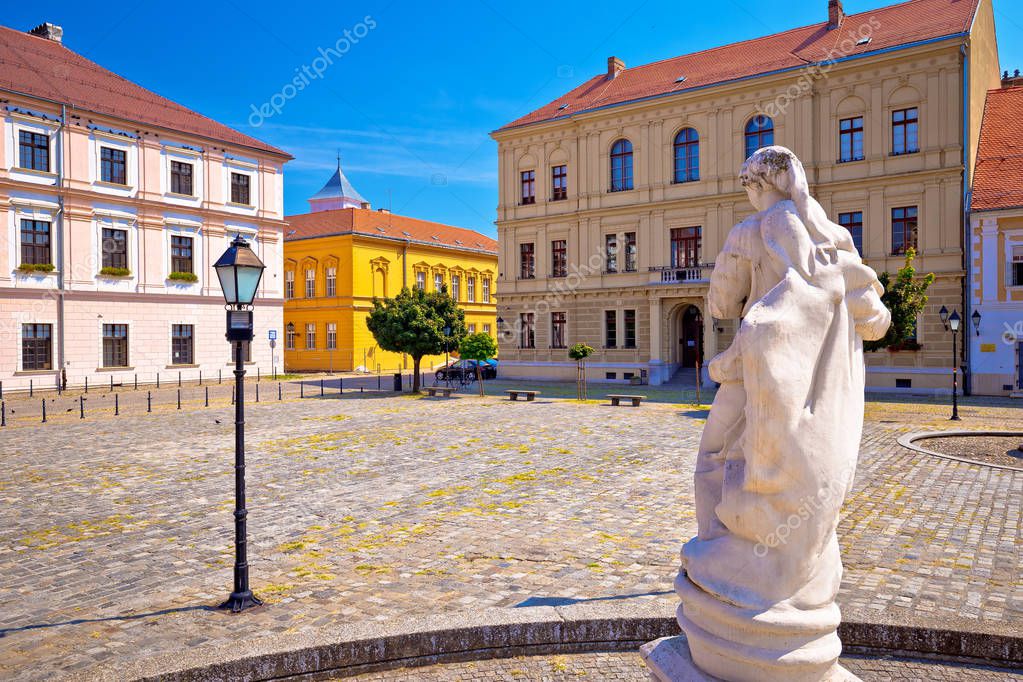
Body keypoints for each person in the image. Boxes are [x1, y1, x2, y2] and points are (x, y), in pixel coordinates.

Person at [678, 146, 890, 681]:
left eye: (747, 186)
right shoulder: (833, 238)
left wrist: (747, 310)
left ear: (756, 185)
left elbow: (721, 303)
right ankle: (791, 578)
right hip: (826, 396)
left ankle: (724, 558)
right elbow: (876, 321)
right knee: (807, 485)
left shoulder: (750, 230)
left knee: (713, 457)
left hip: (756, 376)